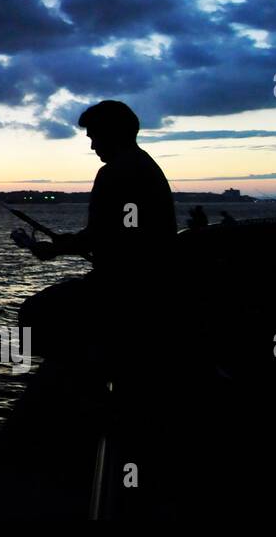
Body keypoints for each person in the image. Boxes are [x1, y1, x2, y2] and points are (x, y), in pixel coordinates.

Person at [12, 101, 177, 366]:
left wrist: (53, 249)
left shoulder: (114, 172)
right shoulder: (145, 166)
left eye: (95, 137)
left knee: (34, 313)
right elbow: (113, 232)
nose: (92, 147)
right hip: (152, 283)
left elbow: (104, 236)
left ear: (113, 133)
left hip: (125, 288)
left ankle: (78, 379)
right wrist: (65, 244)